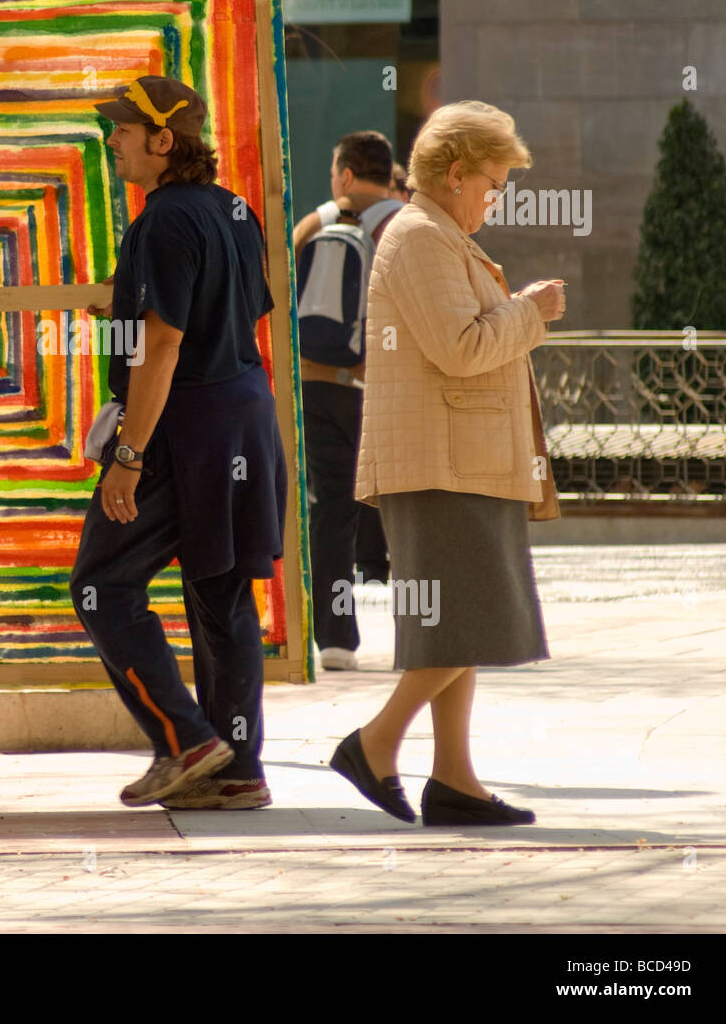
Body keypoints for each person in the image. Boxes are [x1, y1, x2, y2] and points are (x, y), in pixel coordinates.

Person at [331, 100, 565, 827]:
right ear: (456, 173)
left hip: (457, 460)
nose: (495, 198)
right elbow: (461, 348)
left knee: (458, 626)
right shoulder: (422, 237)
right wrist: (529, 312)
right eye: (492, 183)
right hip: (442, 465)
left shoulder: (434, 235)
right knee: (461, 627)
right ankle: (373, 745)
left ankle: (454, 780)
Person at [71, 75, 287, 811]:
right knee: (221, 592)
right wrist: (127, 296)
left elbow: (163, 343)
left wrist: (127, 456)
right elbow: (228, 309)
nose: (113, 143)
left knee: (101, 585)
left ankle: (183, 739)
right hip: (242, 416)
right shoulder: (233, 209)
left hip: (182, 429)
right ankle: (237, 770)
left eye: (124, 132)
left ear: (165, 141)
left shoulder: (162, 220)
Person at [293, 132, 399, 670]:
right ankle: (425, 635)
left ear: (346, 176)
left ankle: (336, 641)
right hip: (392, 392)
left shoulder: (318, 223)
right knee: (409, 502)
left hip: (320, 385)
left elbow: (282, 271)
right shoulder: (408, 226)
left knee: (331, 507)